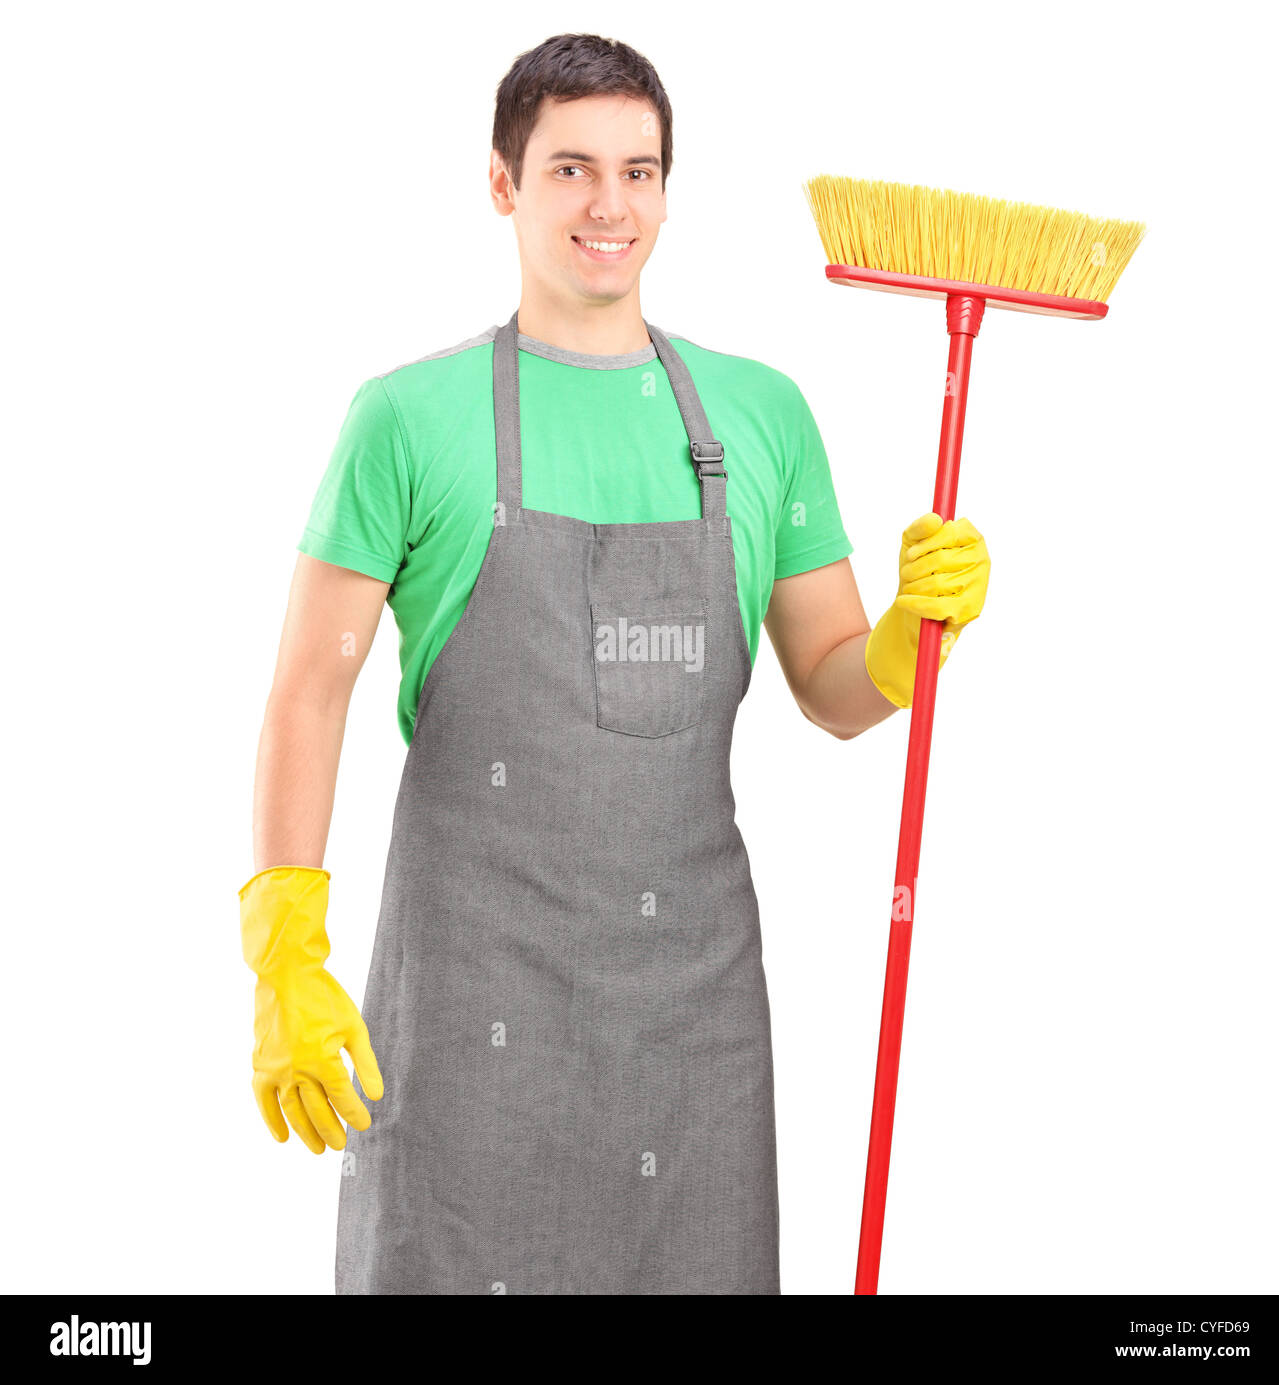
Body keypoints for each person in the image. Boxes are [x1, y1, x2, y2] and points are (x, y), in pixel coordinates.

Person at [238, 32, 990, 1296]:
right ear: (502, 183)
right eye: (572, 168)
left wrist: (911, 641)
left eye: (640, 172)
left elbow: (832, 684)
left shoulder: (759, 414)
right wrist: (283, 945)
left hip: (690, 1006)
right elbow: (310, 690)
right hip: (471, 988)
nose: (609, 205)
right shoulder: (407, 418)